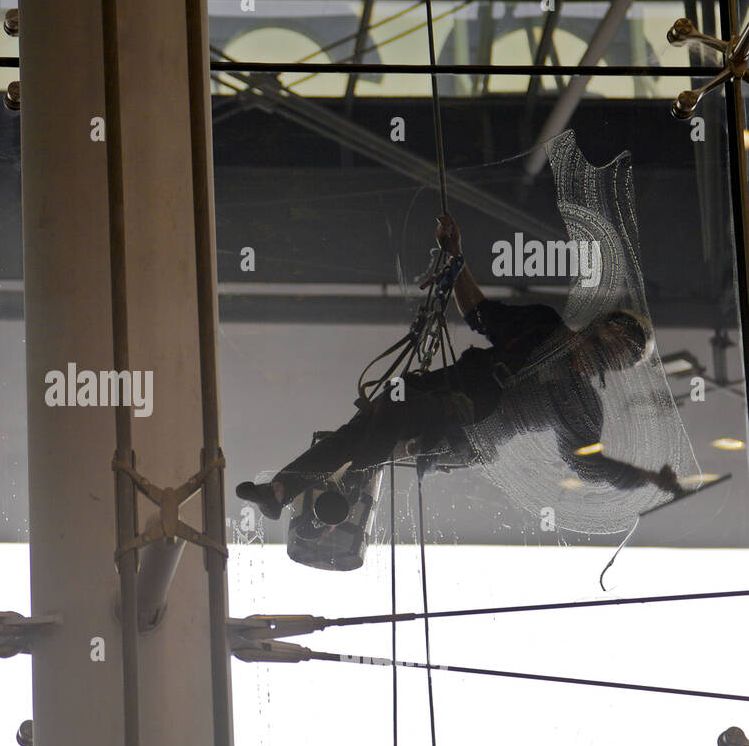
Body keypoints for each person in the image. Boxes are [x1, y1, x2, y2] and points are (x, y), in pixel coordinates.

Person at [237, 213, 683, 522]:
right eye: (609, 343)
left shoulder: (580, 406)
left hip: (470, 428)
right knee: (371, 418)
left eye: (615, 356)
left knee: (392, 413)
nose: (602, 355)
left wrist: (646, 478)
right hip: (451, 390)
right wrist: (455, 258)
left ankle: (346, 482)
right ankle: (280, 491)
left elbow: (588, 465)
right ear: (598, 328)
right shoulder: (542, 328)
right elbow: (479, 314)